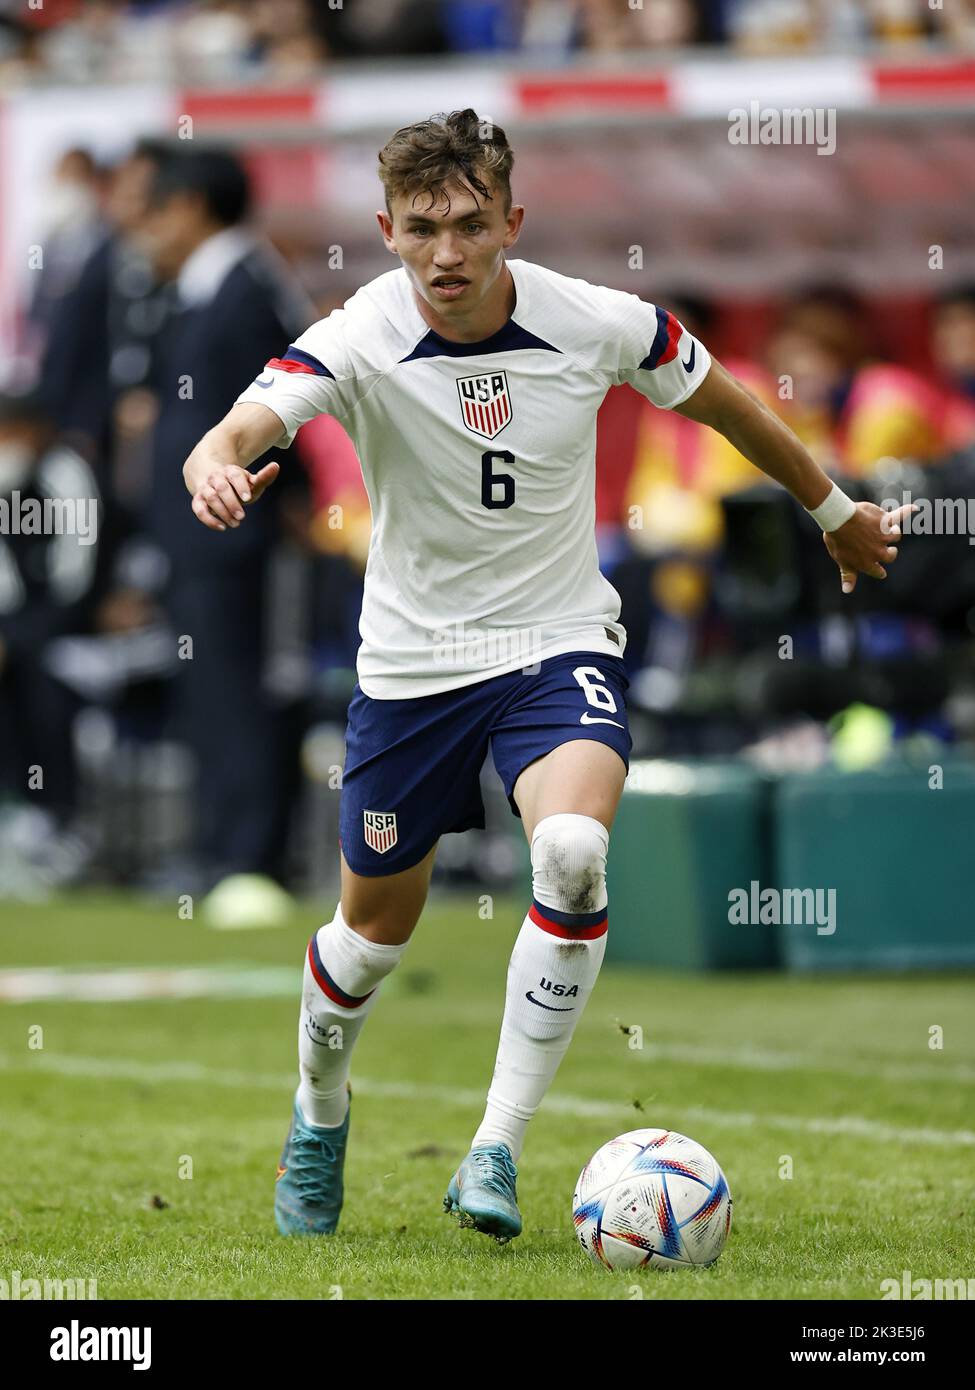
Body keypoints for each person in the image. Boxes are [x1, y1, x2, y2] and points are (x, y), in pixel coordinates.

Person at [180, 109, 909, 1243]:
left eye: (472, 224)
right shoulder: (361, 332)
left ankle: (495, 1149)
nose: (448, 252)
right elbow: (237, 425)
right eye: (422, 228)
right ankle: (320, 1111)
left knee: (571, 855)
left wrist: (832, 512)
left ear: (513, 222)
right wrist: (217, 467)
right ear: (388, 230)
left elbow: (728, 405)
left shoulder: (601, 322)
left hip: (555, 645)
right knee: (369, 941)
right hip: (413, 669)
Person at [142, 146, 313, 901]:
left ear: (189, 207)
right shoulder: (199, 289)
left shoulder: (248, 288)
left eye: (153, 210)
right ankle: (219, 852)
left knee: (244, 693)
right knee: (209, 694)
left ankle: (249, 859)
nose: (144, 230)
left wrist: (273, 514)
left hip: (242, 538)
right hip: (199, 539)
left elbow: (286, 415)